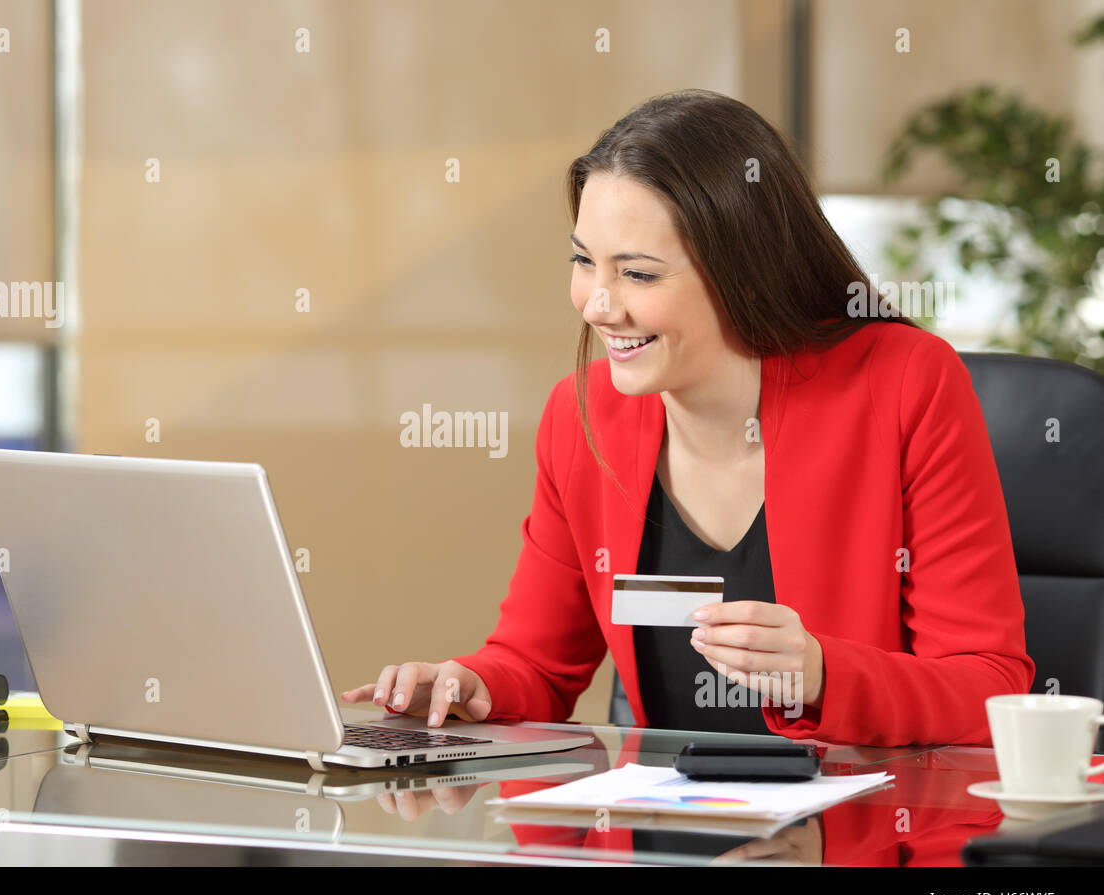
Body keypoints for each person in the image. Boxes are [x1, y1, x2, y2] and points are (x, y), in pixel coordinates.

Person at [341, 89, 1034, 747]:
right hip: (660, 826)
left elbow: (990, 687)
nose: (597, 304)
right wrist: (468, 684)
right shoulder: (581, 414)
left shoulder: (907, 382)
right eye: (585, 262)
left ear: (748, 273)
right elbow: (537, 666)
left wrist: (821, 673)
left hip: (857, 837)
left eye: (638, 274)